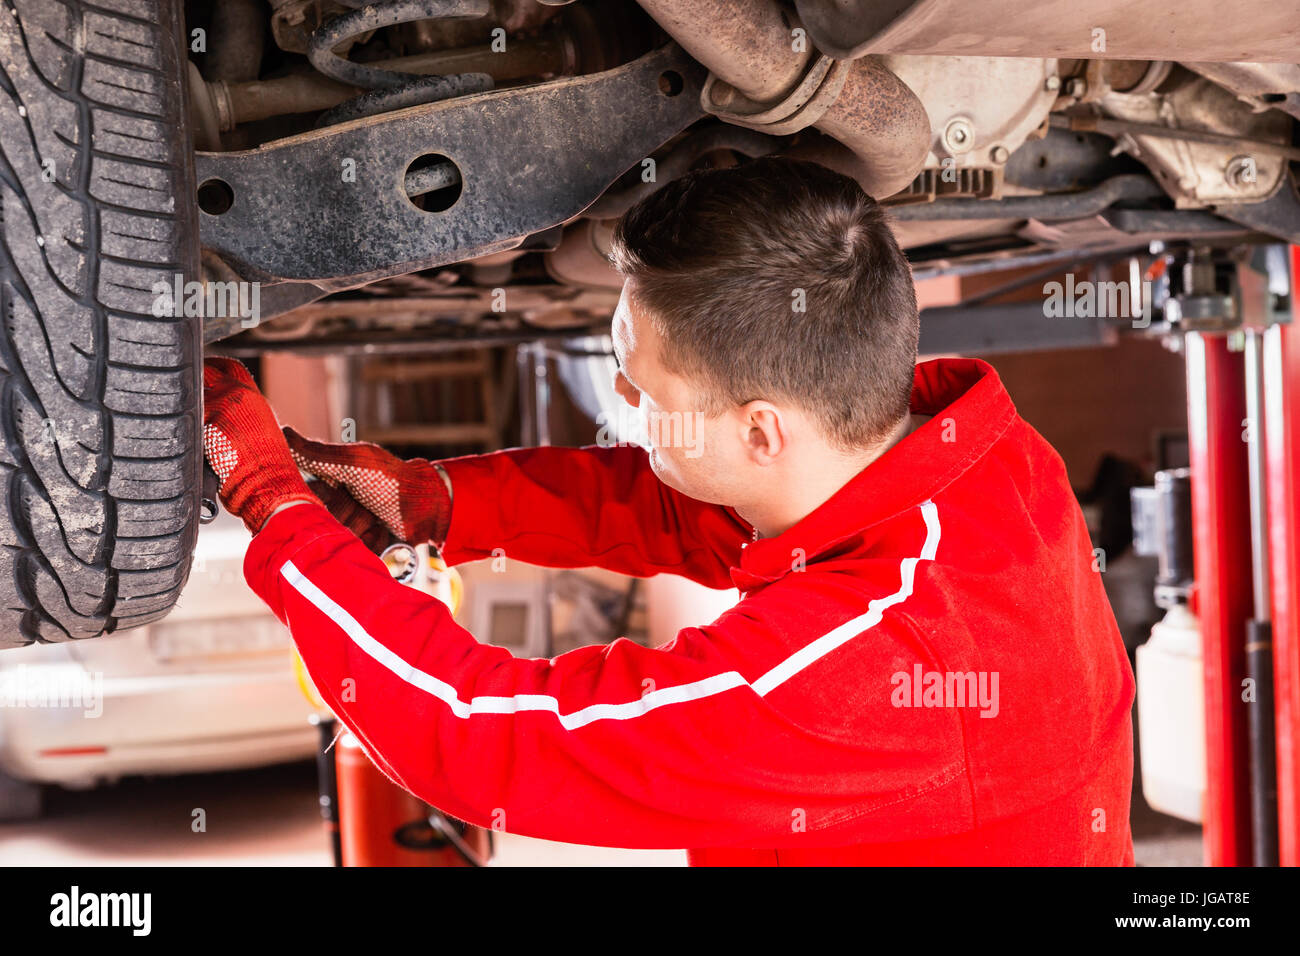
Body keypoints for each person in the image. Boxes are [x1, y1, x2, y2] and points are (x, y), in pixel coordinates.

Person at [202, 157, 1136, 865]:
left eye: (643, 389)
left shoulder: (855, 679)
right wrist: (434, 500)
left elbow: (483, 735)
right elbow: (695, 507)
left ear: (762, 429)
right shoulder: (977, 461)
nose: (620, 395)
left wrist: (276, 507)